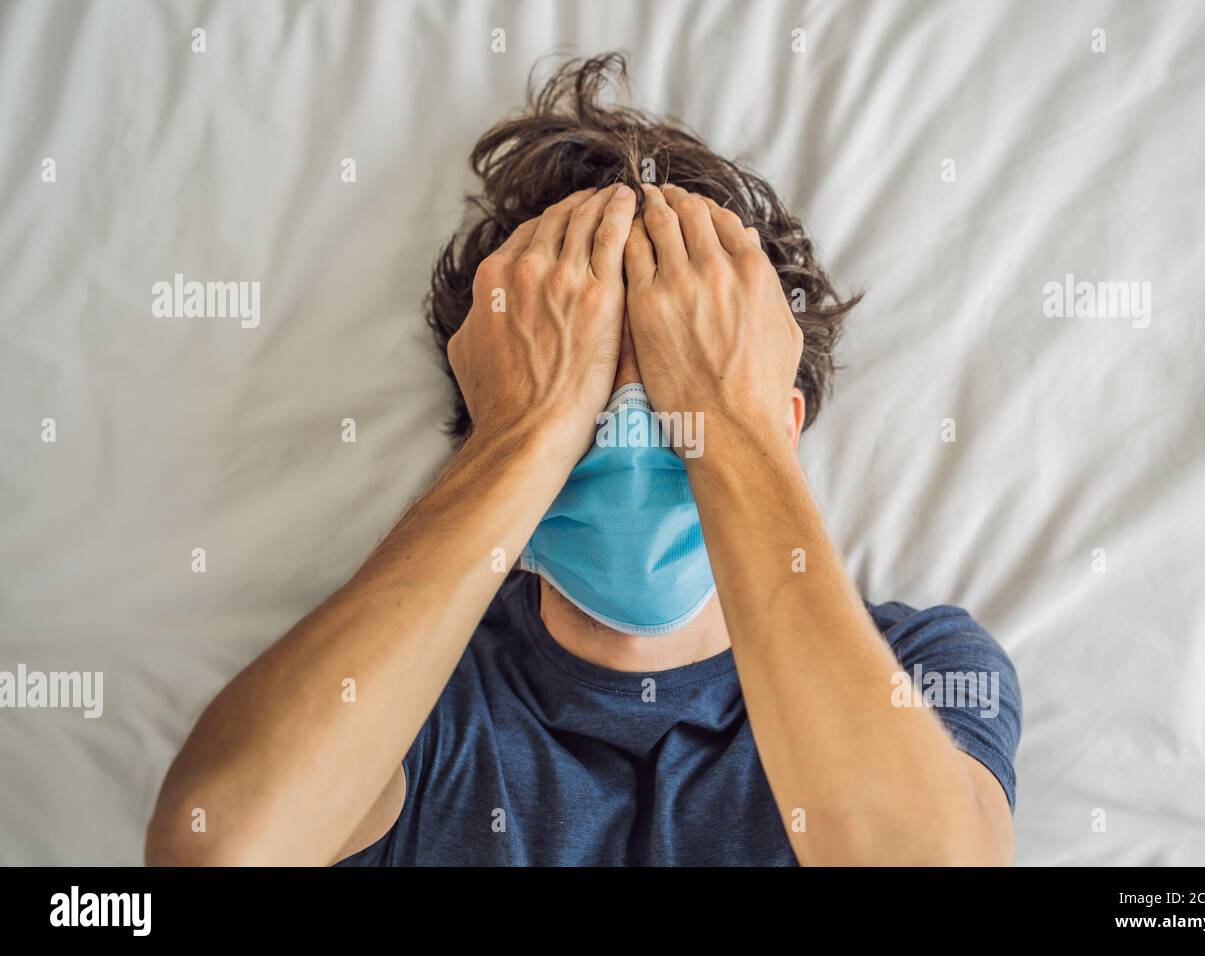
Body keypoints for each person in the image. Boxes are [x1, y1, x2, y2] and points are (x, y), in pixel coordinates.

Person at [145, 54, 1020, 867]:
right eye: (591, 394)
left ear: (780, 420)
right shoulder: (409, 699)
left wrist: (727, 418)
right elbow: (215, 847)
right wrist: (529, 428)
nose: (634, 426)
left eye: (680, 386)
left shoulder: (922, 664)